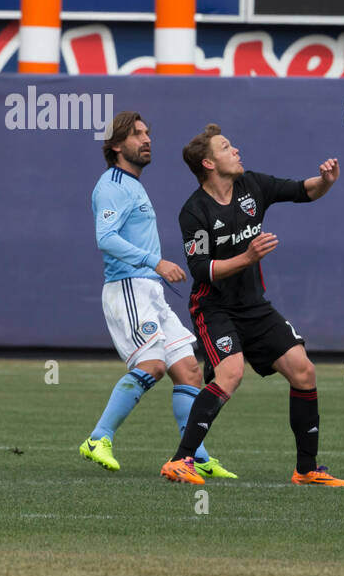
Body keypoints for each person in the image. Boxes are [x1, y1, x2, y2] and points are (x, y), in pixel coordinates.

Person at [164, 124, 344, 488]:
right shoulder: (194, 212)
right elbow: (202, 271)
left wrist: (326, 181)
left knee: (303, 371)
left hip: (253, 305)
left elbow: (303, 191)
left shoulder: (253, 186)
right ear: (209, 163)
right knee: (231, 374)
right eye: (227, 147)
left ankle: (306, 469)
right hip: (213, 307)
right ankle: (180, 461)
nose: (236, 150)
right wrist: (247, 257)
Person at [80, 112, 236, 479]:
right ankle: (98, 438)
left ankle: (194, 455)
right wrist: (157, 261)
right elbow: (106, 238)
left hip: (149, 290)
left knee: (189, 370)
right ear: (117, 145)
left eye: (148, 133)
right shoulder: (113, 184)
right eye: (137, 135)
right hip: (129, 288)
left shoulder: (133, 184)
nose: (147, 139)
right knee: (151, 366)